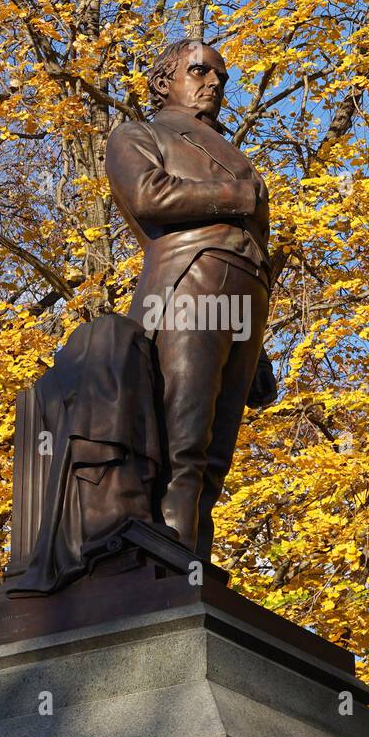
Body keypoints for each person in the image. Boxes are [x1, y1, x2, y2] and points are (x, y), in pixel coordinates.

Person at [105, 38, 275, 560]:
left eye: (221, 76)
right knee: (184, 433)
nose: (214, 83)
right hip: (190, 280)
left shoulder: (230, 151)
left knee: (215, 452)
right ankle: (169, 559)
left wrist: (256, 342)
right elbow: (150, 196)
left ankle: (194, 560)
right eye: (200, 70)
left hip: (244, 294)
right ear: (163, 83)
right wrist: (237, 196)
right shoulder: (140, 135)